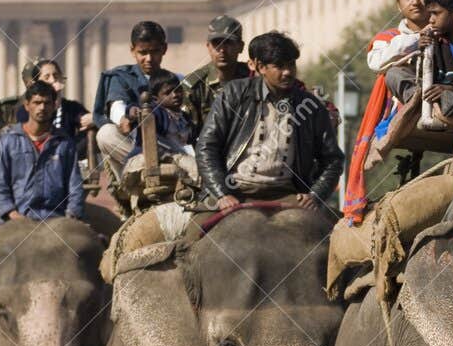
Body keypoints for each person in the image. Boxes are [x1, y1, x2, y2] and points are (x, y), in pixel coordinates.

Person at [196, 31, 344, 210]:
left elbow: (333, 159)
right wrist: (221, 194)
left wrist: (315, 195)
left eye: (291, 64)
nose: (288, 72)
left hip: (290, 196)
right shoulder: (233, 94)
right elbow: (206, 147)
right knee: (194, 234)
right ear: (259, 67)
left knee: (335, 233)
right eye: (279, 66)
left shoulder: (311, 105)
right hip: (234, 193)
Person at [0, 81, 85, 222]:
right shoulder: (7, 142)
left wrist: (70, 216)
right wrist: (14, 216)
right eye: (37, 102)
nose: (42, 107)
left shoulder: (65, 143)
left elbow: (75, 188)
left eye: (47, 103)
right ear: (27, 105)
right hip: (16, 221)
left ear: (54, 106)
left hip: (56, 221)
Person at [95, 21, 177, 165]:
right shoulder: (122, 77)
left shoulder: (175, 80)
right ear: (133, 51)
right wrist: (124, 118)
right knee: (105, 134)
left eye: (154, 51)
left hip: (172, 145)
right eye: (143, 53)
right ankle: (149, 163)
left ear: (164, 49)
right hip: (135, 147)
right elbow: (116, 106)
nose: (149, 59)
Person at [182, 16, 251, 133]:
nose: (222, 50)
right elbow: (187, 132)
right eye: (216, 43)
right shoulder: (194, 85)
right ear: (208, 47)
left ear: (241, 46)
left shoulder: (253, 78)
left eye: (228, 43)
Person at [366, 0, 430, 73]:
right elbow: (375, 63)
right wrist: (416, 41)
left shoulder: (446, 33)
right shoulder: (387, 38)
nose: (415, 2)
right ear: (398, 5)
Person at [16, 59, 91, 139]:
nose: (53, 80)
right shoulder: (26, 110)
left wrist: (94, 119)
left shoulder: (71, 107)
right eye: (47, 77)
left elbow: (86, 119)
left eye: (55, 76)